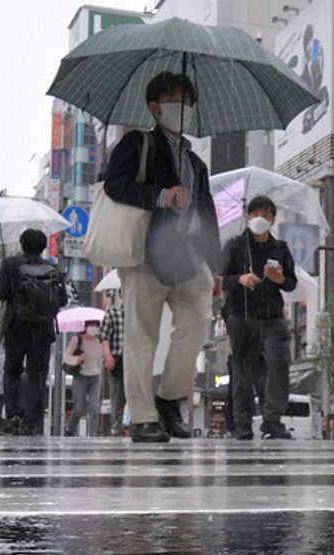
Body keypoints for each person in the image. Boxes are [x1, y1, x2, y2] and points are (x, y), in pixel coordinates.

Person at [102, 71, 222, 443]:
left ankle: (169, 399)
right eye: (172, 101)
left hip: (187, 254)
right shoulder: (138, 143)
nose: (180, 108)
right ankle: (142, 418)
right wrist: (161, 196)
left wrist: (215, 265)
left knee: (198, 321)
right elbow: (114, 184)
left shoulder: (196, 162)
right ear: (154, 107)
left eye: (186, 102)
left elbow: (207, 213)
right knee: (141, 334)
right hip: (144, 249)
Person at [220, 196, 297, 440]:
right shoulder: (235, 245)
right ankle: (242, 424)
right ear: (247, 217)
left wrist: (279, 279)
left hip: (273, 317)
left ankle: (272, 420)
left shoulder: (280, 248)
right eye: (255, 214)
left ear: (273, 219)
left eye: (265, 214)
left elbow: (291, 282)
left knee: (279, 362)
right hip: (242, 316)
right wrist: (240, 279)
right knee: (242, 372)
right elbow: (219, 278)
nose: (259, 218)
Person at [0, 228, 65, 436]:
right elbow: (62, 299)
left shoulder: (11, 264)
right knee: (37, 375)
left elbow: (0, 293)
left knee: (12, 371)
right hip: (43, 328)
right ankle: (32, 422)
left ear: (22, 244)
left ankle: (13, 416)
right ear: (43, 247)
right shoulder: (53, 268)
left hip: (16, 325)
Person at [64, 320, 103, 437]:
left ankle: (92, 435)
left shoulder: (100, 341)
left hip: (95, 377)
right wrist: (78, 359)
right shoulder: (77, 340)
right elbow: (66, 357)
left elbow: (100, 359)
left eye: (96, 326)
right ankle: (69, 430)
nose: (94, 328)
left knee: (94, 409)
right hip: (80, 376)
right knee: (78, 409)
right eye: (91, 325)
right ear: (86, 326)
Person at [99, 293, 125, 437]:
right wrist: (108, 356)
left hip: (134, 362)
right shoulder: (113, 312)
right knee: (116, 395)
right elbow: (104, 336)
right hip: (116, 360)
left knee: (130, 395)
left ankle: (131, 425)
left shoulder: (139, 316)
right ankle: (116, 426)